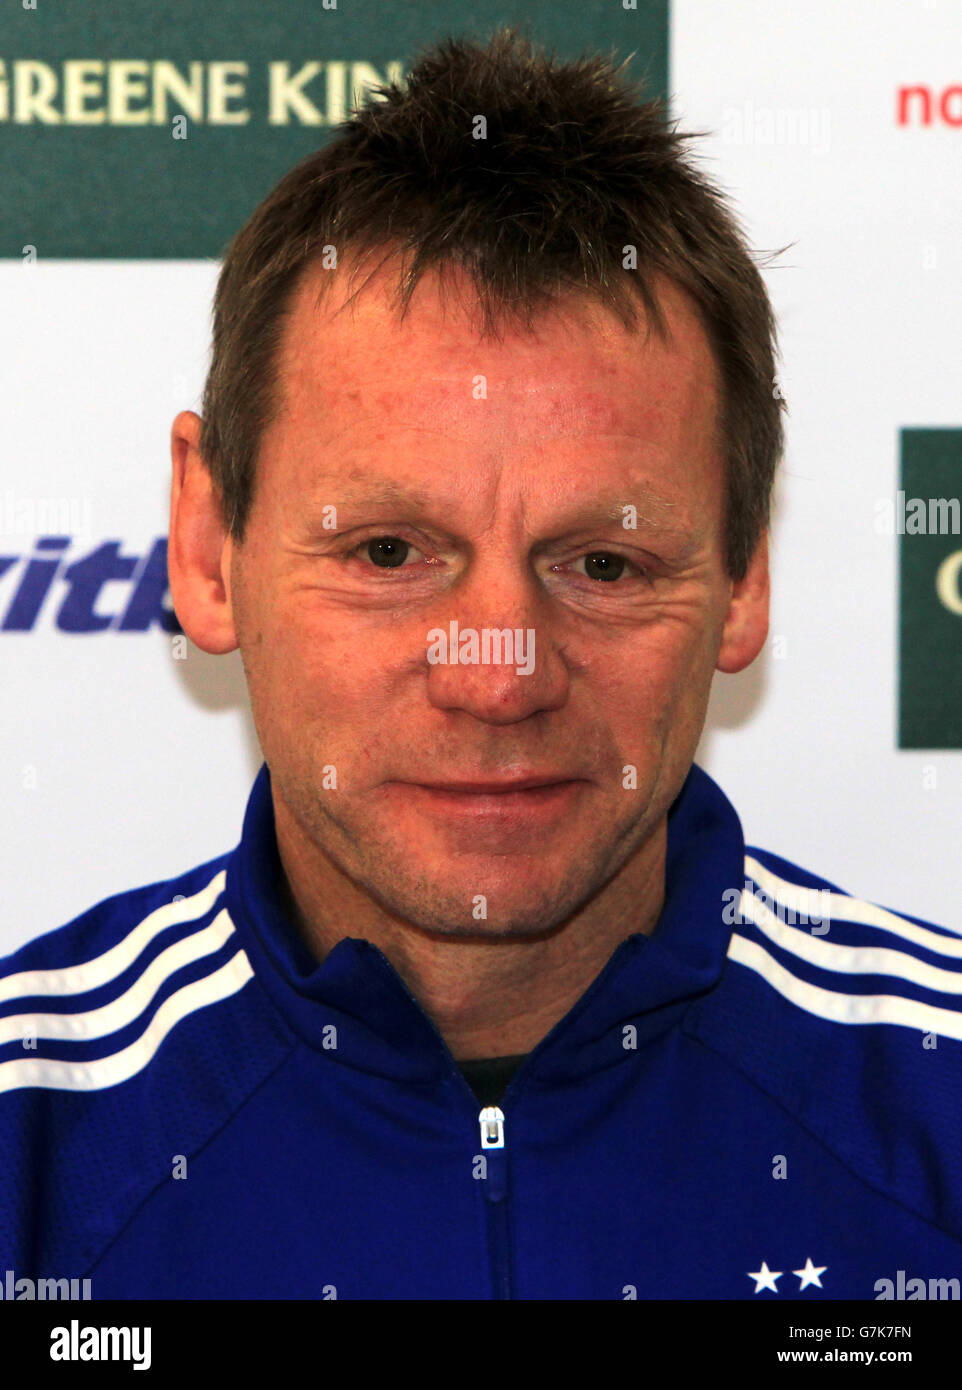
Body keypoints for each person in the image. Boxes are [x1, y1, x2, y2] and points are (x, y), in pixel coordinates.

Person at [2, 29, 960, 1302]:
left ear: (742, 575)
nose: (498, 677)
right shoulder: (31, 1145)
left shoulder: (935, 1112)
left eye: (602, 566)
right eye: (390, 550)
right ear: (208, 547)